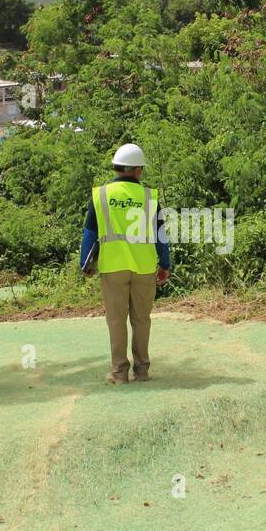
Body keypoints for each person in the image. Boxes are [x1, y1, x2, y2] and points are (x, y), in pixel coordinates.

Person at [80, 143, 171, 384]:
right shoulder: (149, 196)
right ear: (138, 170)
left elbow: (89, 233)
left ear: (117, 168)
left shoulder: (101, 195)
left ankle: (119, 373)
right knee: (141, 320)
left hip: (113, 267)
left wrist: (85, 264)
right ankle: (142, 371)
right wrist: (165, 264)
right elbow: (161, 235)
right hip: (144, 267)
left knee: (116, 320)